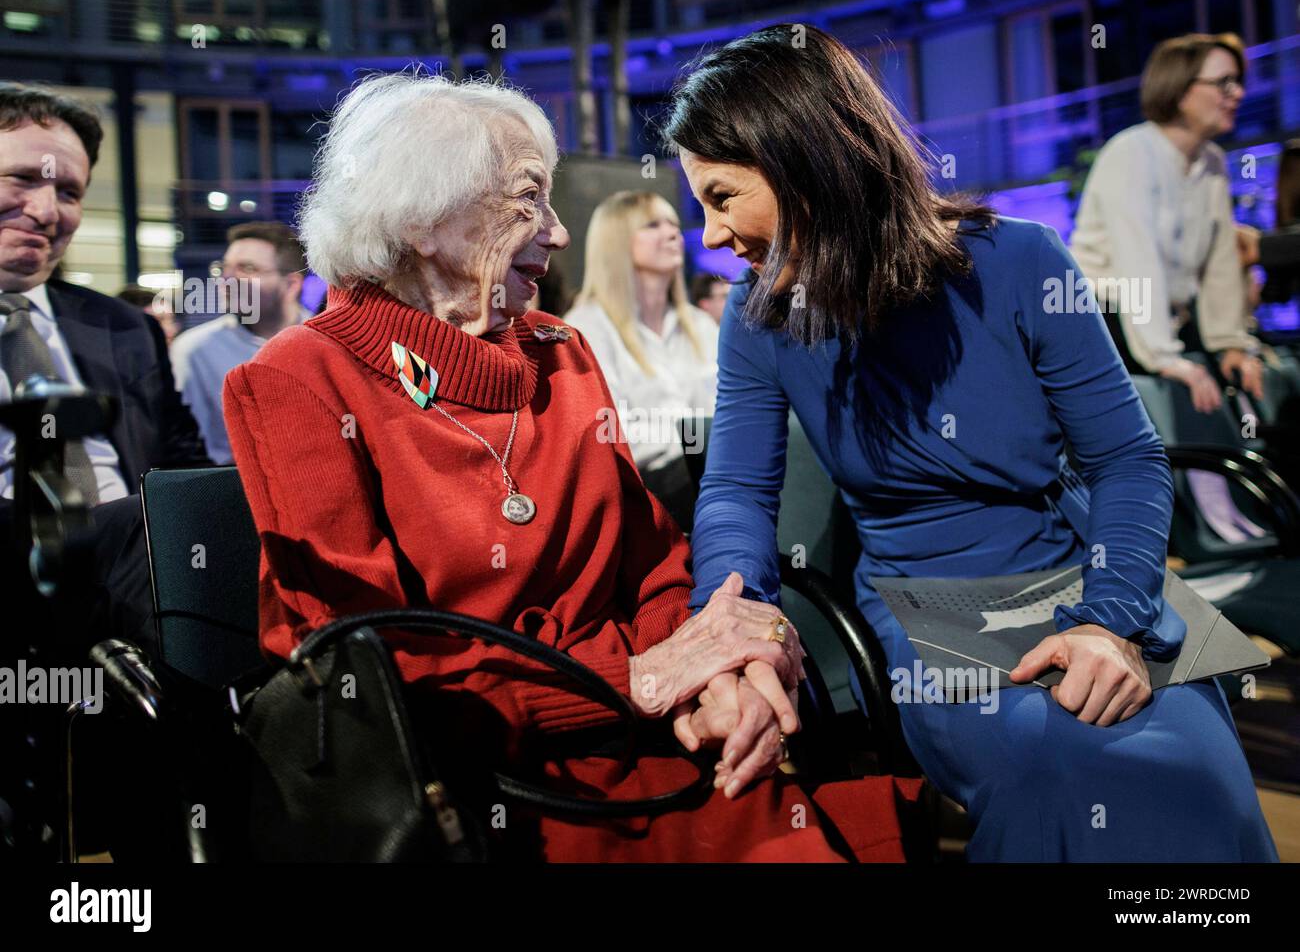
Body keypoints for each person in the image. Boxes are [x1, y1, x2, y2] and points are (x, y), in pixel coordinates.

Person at [223, 72, 911, 862]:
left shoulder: (560, 351)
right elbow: (373, 674)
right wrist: (643, 678)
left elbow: (650, 565)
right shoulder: (296, 379)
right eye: (528, 200)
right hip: (476, 790)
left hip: (655, 742)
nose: (556, 233)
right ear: (423, 220)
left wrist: (714, 679)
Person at [665, 25, 1278, 861]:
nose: (708, 234)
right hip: (929, 611)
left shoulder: (1024, 262)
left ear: (808, 163)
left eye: (722, 195)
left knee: (1193, 779)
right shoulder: (759, 314)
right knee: (1072, 766)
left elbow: (1128, 462)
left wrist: (1109, 622)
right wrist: (725, 621)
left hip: (1089, 588)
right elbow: (738, 490)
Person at [0, 82, 208, 860]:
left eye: (69, 190)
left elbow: (184, 468)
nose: (48, 210)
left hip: (131, 572)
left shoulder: (119, 327)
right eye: (22, 178)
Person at [1071, 33, 1260, 413]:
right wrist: (1164, 358)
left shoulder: (1212, 162)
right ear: (1180, 87)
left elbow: (1220, 264)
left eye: (1238, 81)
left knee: (1232, 402)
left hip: (1162, 322)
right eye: (1224, 82)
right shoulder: (1132, 152)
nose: (1237, 93)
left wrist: (1230, 344)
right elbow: (1137, 264)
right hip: (1105, 323)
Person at [565, 191, 719, 529]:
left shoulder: (701, 325)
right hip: (641, 491)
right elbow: (612, 436)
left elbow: (724, 411)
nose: (671, 233)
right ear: (616, 242)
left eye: (674, 224)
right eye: (652, 225)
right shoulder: (587, 327)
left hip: (709, 474)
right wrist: (692, 437)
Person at [170, 221, 309, 463]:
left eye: (247, 268)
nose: (227, 278)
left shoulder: (330, 342)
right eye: (224, 268)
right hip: (229, 488)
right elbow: (189, 450)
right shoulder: (194, 350)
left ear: (291, 285)